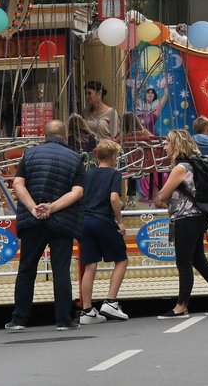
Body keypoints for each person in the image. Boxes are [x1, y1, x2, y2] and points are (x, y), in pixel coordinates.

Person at [5, 120, 84, 331]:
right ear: (65, 136)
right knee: (61, 270)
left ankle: (19, 320)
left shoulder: (29, 155)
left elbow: (18, 184)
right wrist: (52, 208)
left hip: (32, 222)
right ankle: (64, 320)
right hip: (62, 222)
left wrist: (33, 208)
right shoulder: (76, 158)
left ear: (44, 135)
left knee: (27, 269)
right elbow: (77, 192)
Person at [155, 129, 208, 317]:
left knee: (183, 262)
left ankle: (181, 306)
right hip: (199, 217)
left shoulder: (180, 168)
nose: (165, 147)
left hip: (186, 219)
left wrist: (162, 200)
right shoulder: (194, 165)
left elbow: (162, 195)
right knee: (198, 260)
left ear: (175, 145)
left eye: (167, 143)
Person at [74, 138, 130, 324]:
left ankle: (87, 310)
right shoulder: (114, 175)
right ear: (114, 156)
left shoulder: (87, 174)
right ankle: (111, 301)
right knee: (121, 259)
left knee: (90, 266)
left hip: (85, 222)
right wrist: (120, 221)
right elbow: (114, 199)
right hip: (103, 220)